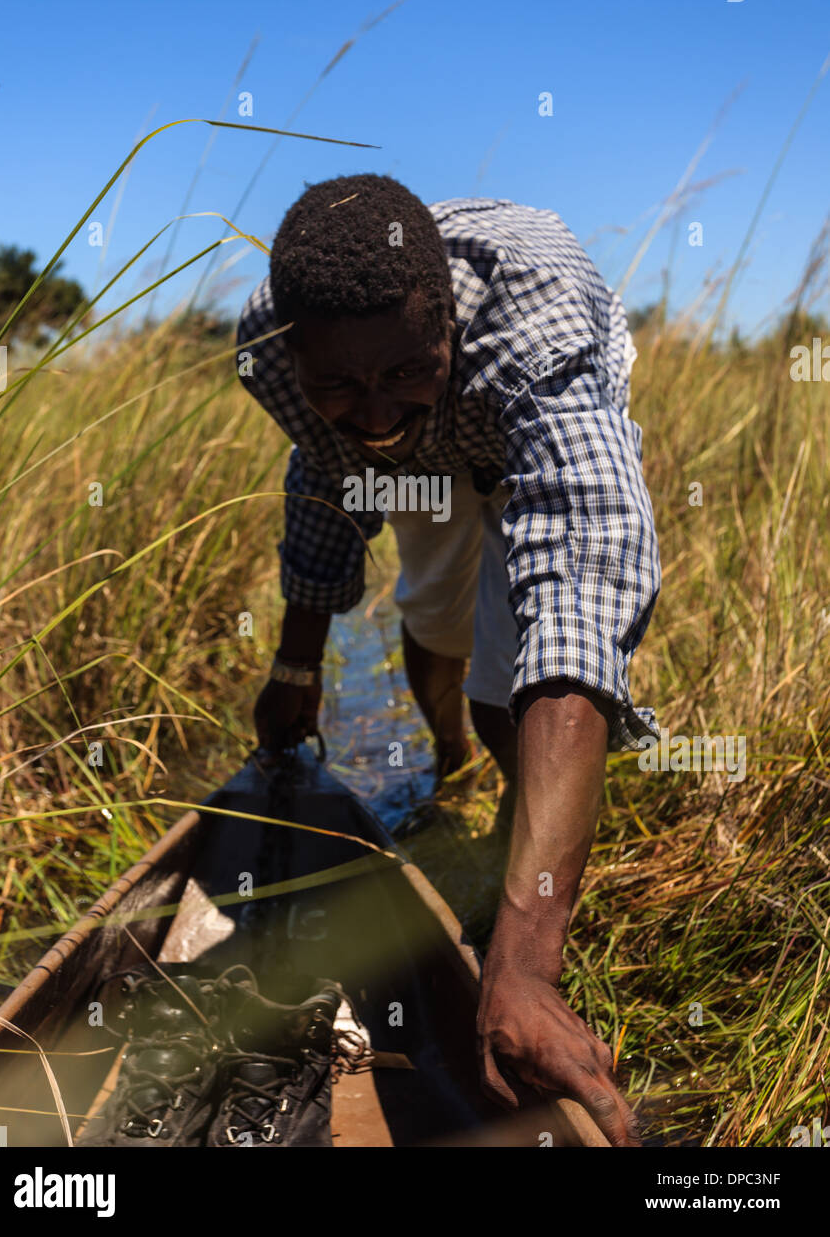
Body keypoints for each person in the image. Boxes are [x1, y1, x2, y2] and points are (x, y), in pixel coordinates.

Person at [235, 174, 661, 1146]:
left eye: (400, 369)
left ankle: (526, 837)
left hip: (519, 408)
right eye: (337, 381)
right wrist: (295, 671)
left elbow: (578, 584)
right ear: (297, 355)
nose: (375, 408)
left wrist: (523, 958)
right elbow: (330, 482)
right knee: (432, 611)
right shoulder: (272, 356)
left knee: (519, 642)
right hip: (444, 433)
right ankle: (450, 759)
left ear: (444, 322)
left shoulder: (535, 333)